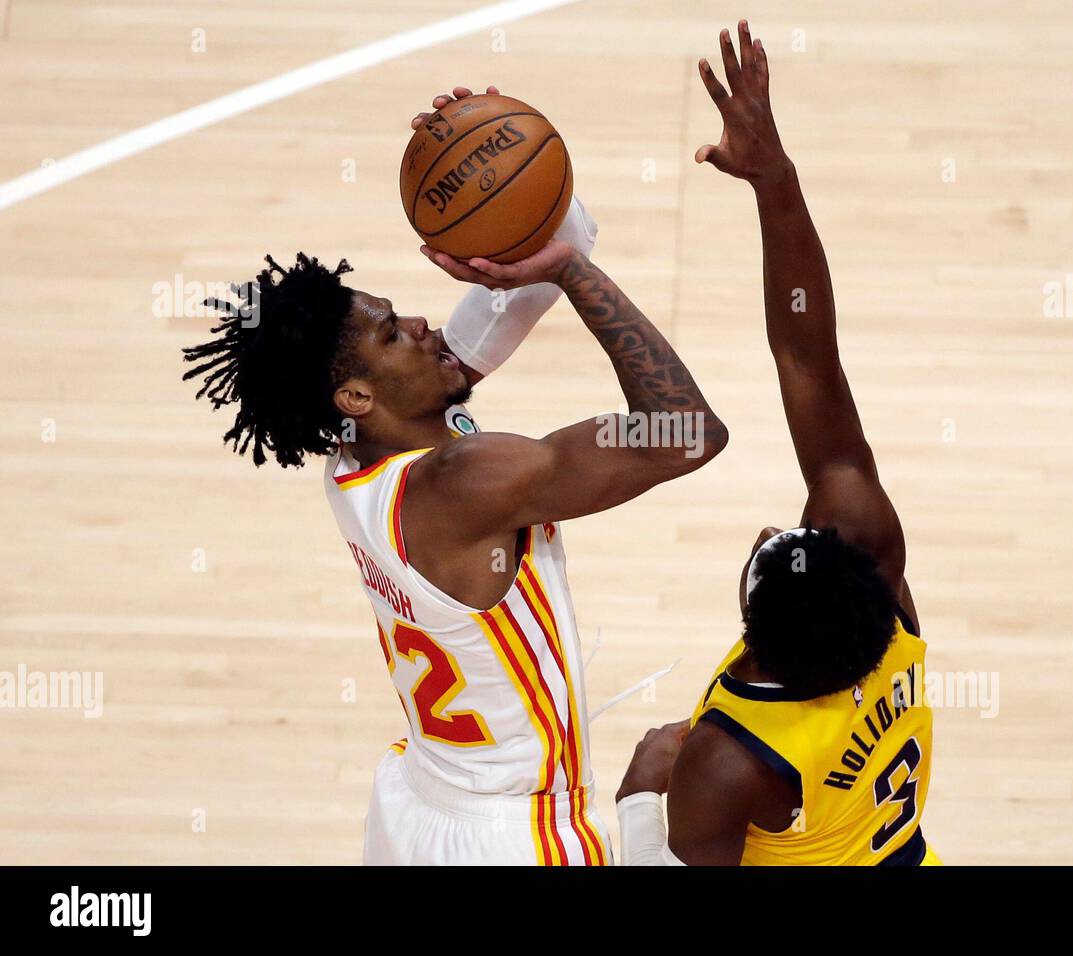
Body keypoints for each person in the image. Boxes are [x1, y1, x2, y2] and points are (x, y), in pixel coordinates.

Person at [182, 88, 728, 865]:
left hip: (420, 801)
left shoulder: (356, 454)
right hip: (514, 834)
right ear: (358, 394)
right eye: (390, 333)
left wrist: (501, 182)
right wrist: (571, 268)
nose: (420, 324)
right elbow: (688, 433)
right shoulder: (469, 479)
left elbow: (503, 308)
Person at [615, 22, 938, 866]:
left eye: (769, 553)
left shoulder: (727, 765)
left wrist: (644, 790)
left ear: (753, 631)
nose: (770, 531)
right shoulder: (875, 574)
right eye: (794, 539)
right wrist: (775, 181)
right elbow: (808, 356)